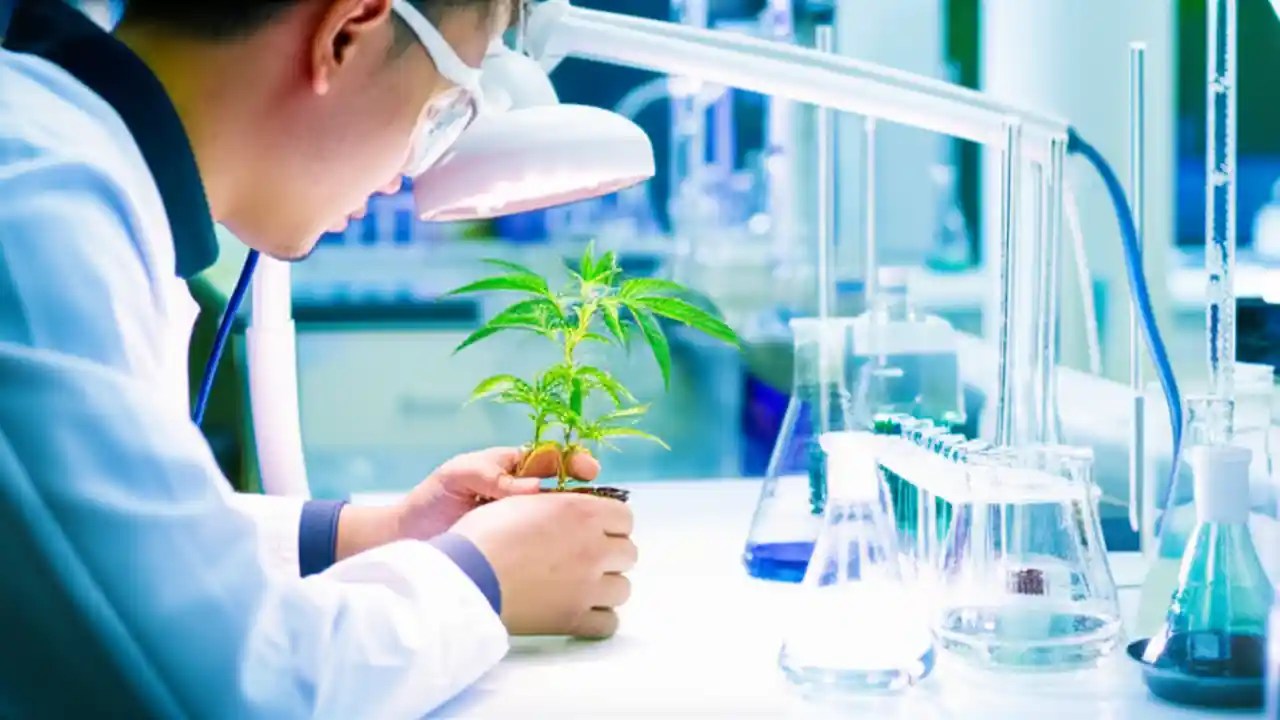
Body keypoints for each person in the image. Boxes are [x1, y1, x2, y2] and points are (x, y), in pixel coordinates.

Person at [0, 0, 637, 717]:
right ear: (344, 31)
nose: (405, 172)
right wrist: (483, 577)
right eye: (442, 109)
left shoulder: (70, 172)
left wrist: (371, 533)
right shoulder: (33, 217)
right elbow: (231, 692)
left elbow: (96, 537)